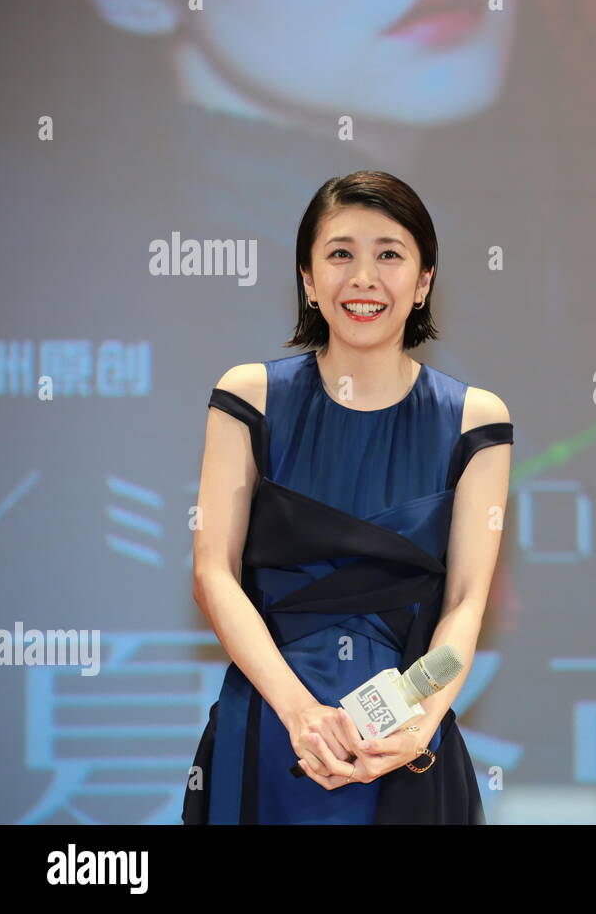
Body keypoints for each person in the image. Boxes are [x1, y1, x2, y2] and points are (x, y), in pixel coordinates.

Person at [183, 171, 512, 824]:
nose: (364, 277)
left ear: (423, 282)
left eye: (389, 254)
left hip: (404, 745)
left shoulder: (475, 418)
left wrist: (420, 726)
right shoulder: (249, 397)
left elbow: (467, 601)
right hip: (270, 728)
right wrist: (300, 712)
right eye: (340, 254)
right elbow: (211, 573)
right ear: (307, 277)